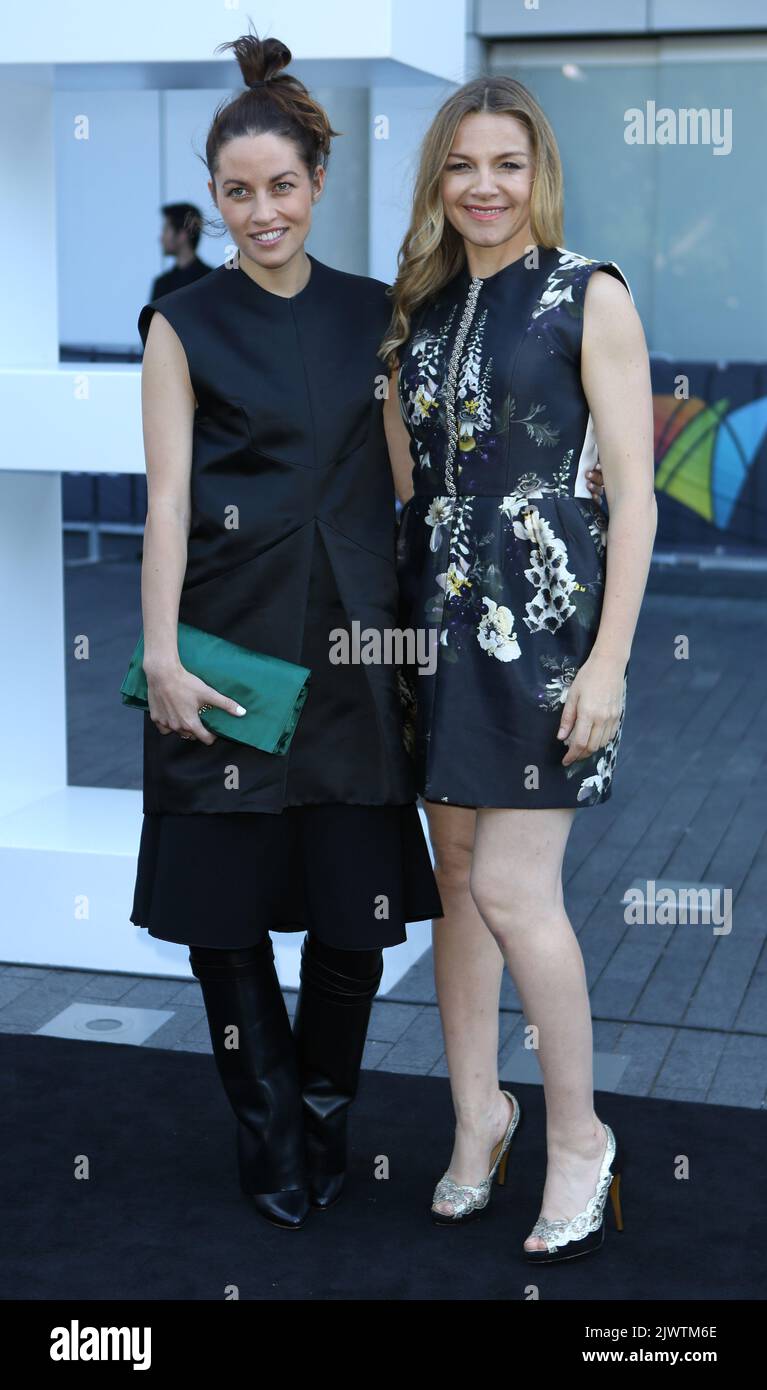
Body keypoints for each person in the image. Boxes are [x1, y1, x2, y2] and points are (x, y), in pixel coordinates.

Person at [129, 30, 444, 1230]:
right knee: (222, 920)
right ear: (215, 200)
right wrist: (159, 652)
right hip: (225, 646)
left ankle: (322, 1112)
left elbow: (409, 485)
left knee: (355, 917)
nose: (261, 212)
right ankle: (266, 1127)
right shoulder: (183, 321)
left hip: (358, 654)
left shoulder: (377, 315)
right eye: (236, 193)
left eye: (281, 187)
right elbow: (163, 499)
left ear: (317, 183)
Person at [381, 75, 656, 1262]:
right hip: (434, 634)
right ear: (435, 181)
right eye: (459, 166)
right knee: (454, 881)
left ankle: (577, 1138)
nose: (482, 187)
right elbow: (411, 488)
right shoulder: (424, 310)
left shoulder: (587, 294)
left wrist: (608, 662)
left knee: (511, 888)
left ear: (535, 171)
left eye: (503, 164)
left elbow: (637, 501)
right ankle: (475, 1115)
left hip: (545, 641)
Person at [150, 203, 213, 298]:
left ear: (182, 234)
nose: (161, 238)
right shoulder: (162, 284)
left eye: (166, 230)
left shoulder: (212, 281)